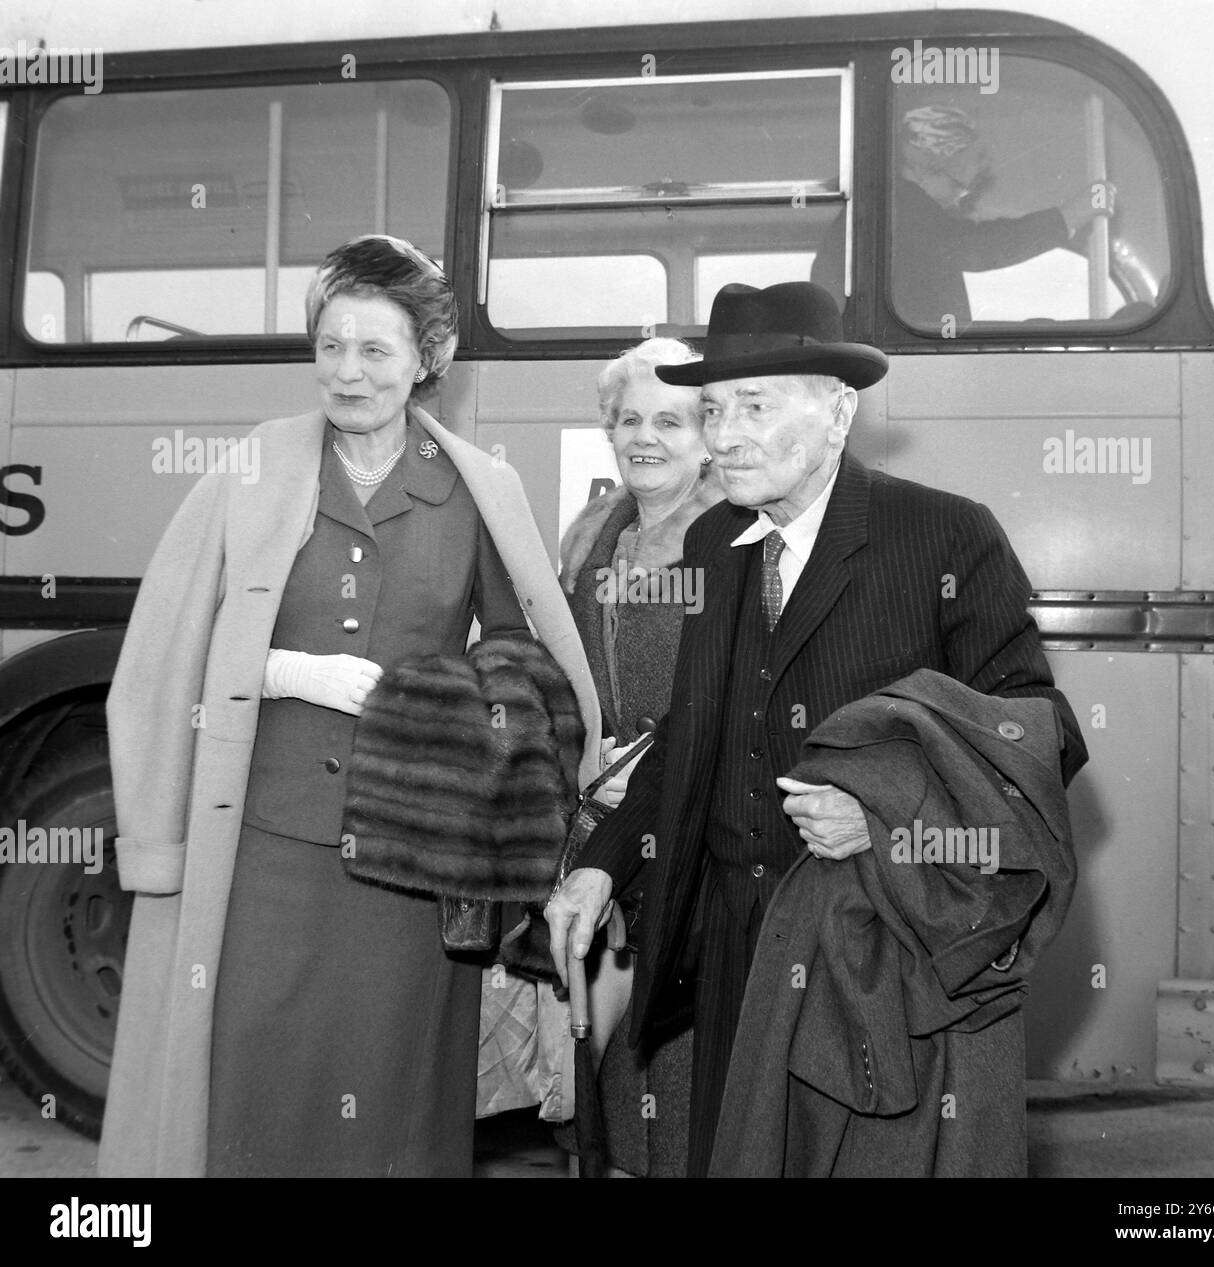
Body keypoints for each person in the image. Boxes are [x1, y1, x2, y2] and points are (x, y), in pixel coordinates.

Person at [545, 280, 1087, 1176]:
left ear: (838, 413)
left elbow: (1038, 738)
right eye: (712, 407)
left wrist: (880, 817)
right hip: (730, 949)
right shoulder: (717, 542)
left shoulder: (946, 536)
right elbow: (691, 734)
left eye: (753, 405)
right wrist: (604, 862)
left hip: (870, 949)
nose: (724, 434)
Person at [99, 234, 599, 1178]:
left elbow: (526, 669)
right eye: (331, 346)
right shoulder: (253, 467)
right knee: (248, 1079)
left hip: (408, 869)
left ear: (426, 360)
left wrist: (446, 702)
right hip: (263, 851)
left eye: (375, 351)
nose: (348, 372)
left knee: (392, 1108)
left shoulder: (477, 490)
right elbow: (165, 646)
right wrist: (283, 669)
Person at [558, 337, 724, 1177]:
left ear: (706, 434)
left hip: (690, 821)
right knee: (602, 1055)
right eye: (629, 419)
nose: (645, 437)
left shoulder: (733, 537)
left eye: (671, 419)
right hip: (600, 813)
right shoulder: (593, 530)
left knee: (678, 1053)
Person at [892, 104, 1115, 329]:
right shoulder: (906, 205)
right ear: (927, 166)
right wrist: (1068, 216)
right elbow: (970, 246)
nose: (959, 200)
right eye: (959, 186)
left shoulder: (905, 208)